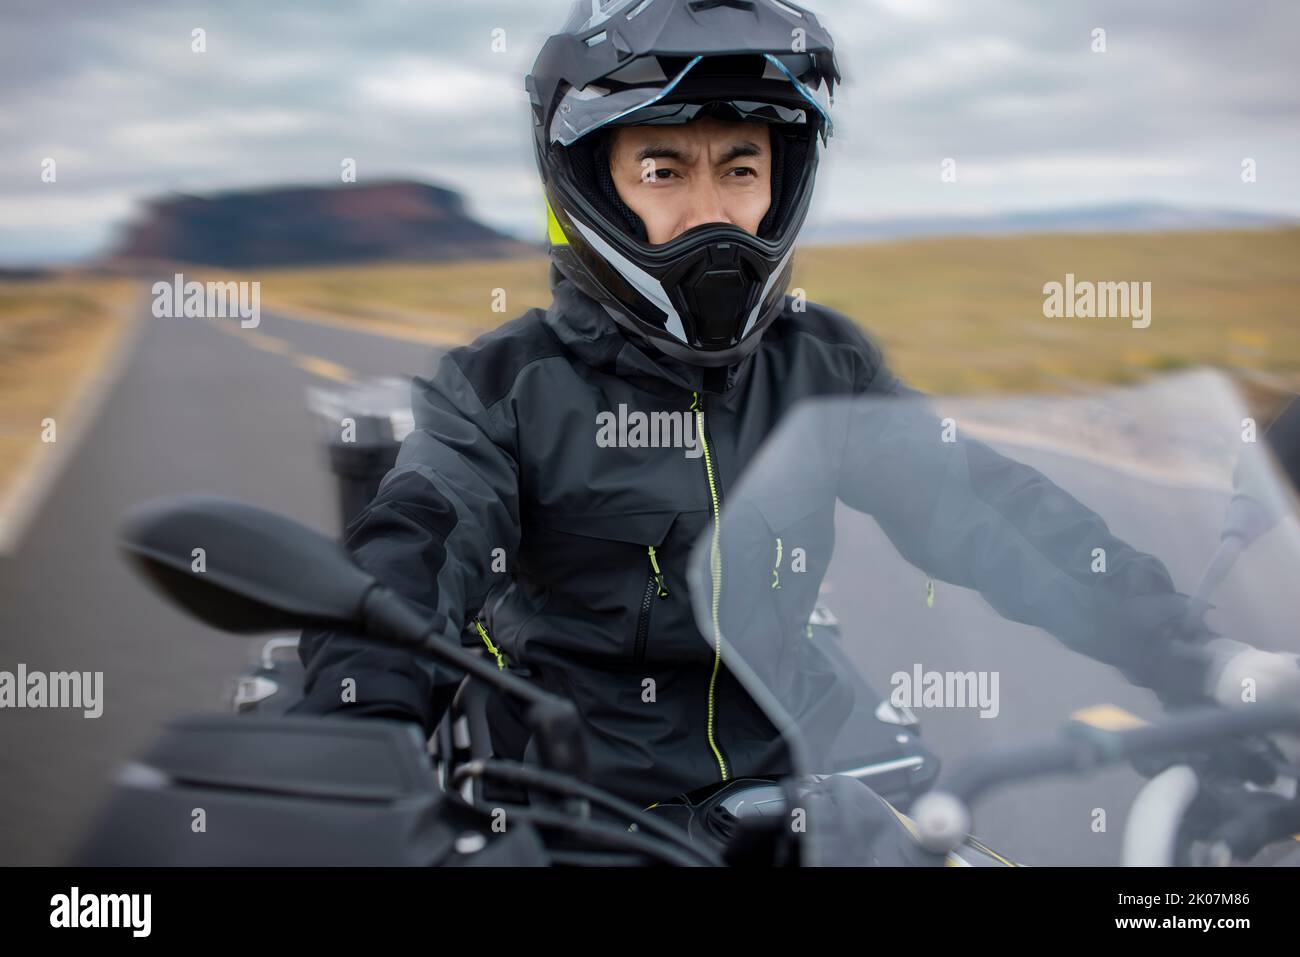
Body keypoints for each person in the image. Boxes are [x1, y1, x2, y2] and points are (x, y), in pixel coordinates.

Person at [290, 0, 1300, 809]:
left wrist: (1193, 656)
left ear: (784, 179)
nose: (713, 213)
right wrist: (353, 726)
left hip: (817, 794)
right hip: (580, 808)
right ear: (588, 184)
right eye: (662, 168)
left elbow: (987, 512)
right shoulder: (498, 387)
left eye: (742, 167)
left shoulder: (822, 363)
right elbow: (417, 544)